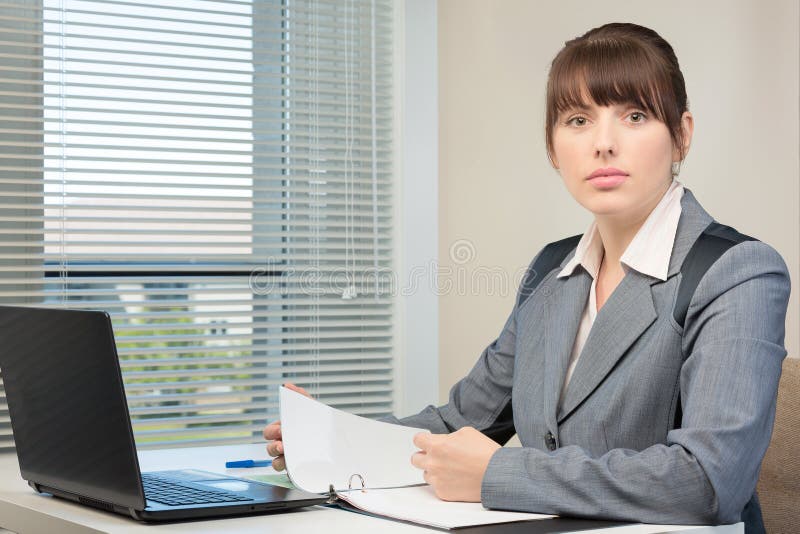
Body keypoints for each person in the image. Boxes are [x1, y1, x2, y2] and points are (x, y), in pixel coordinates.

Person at [263, 22, 790, 533]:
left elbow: (708, 481)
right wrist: (332, 440)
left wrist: (501, 473)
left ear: (682, 134)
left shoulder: (736, 271)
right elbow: (459, 423)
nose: (603, 144)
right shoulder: (551, 271)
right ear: (552, 147)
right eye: (578, 120)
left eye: (634, 116)